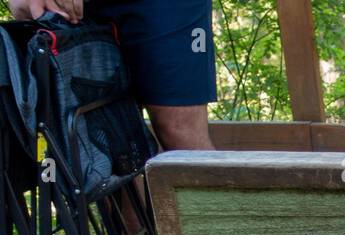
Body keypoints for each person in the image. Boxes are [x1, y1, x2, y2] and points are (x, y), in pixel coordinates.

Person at [7, 0, 216, 152]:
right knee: (108, 142)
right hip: (79, 7)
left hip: (166, 6)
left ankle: (219, 213)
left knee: (179, 130)